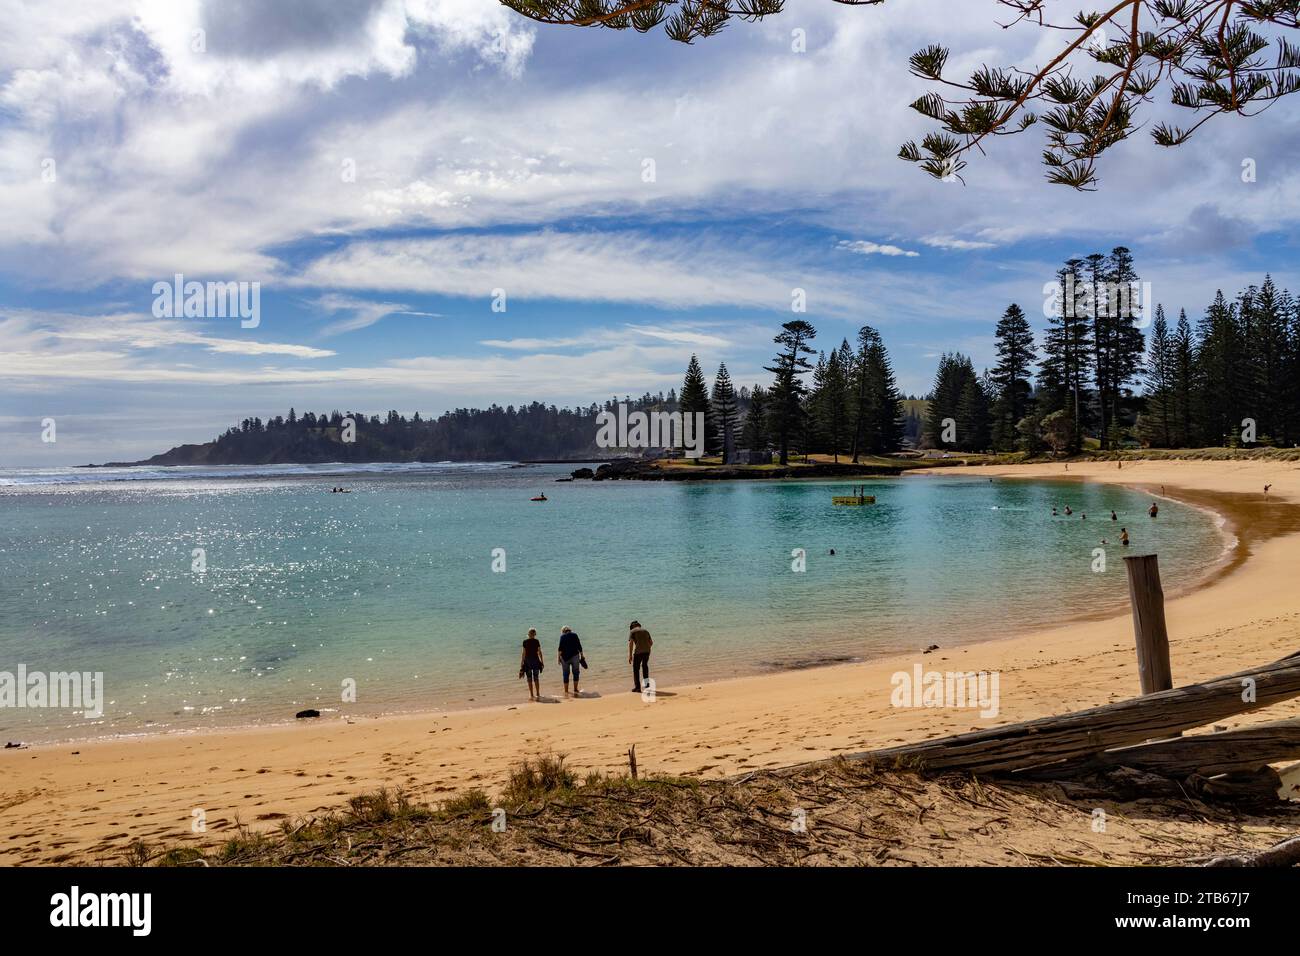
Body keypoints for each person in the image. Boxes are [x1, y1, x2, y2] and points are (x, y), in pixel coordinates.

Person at [558, 626, 584, 697]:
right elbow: (579, 646)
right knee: (576, 672)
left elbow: (560, 649)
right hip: (575, 656)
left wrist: (558, 658)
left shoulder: (562, 637)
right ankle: (575, 689)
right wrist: (582, 655)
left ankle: (566, 691)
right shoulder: (575, 635)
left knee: (565, 674)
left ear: (563, 631)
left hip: (565, 658)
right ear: (570, 630)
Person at [628, 620, 653, 693]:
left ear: (632, 626)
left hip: (638, 652)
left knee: (636, 669)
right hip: (647, 652)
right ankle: (647, 685)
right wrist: (646, 648)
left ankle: (637, 688)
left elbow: (631, 643)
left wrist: (630, 655)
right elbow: (651, 643)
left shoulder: (632, 631)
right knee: (645, 667)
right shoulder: (646, 631)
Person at [520, 627, 544, 700]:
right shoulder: (536, 641)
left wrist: (521, 663)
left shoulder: (525, 642)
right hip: (536, 661)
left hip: (528, 662)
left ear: (528, 634)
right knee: (536, 678)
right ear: (535, 634)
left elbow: (523, 653)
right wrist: (542, 661)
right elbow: (539, 652)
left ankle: (531, 694)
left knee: (529, 678)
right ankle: (538, 694)